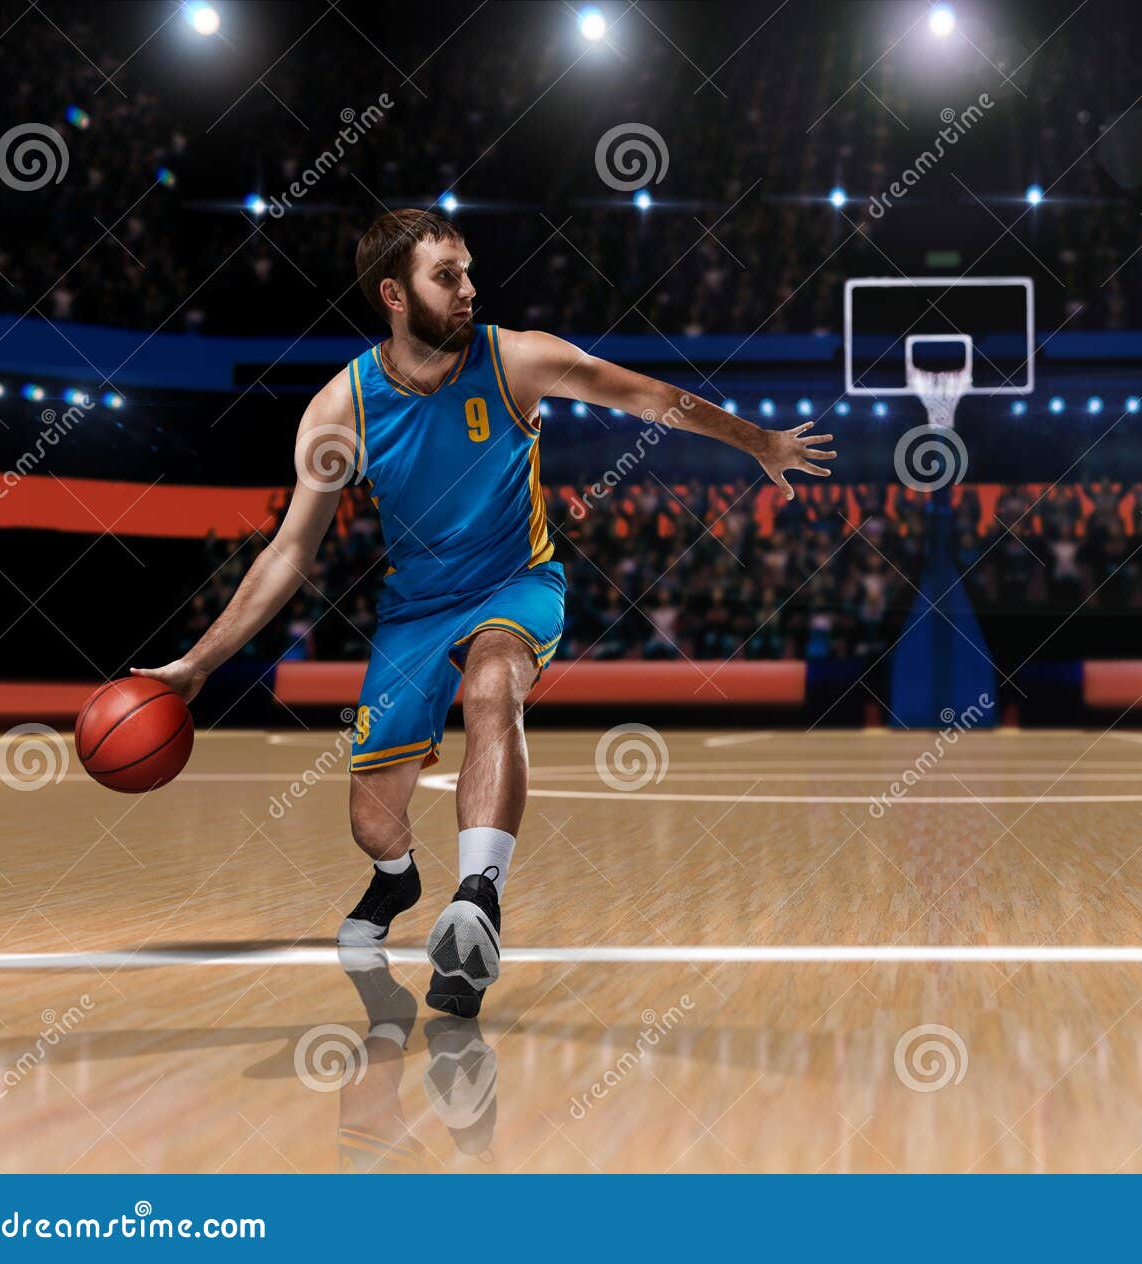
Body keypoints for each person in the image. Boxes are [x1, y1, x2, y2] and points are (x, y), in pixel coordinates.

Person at [134, 208, 835, 1016]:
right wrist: (197, 665)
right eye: (447, 275)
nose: (470, 288)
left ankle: (478, 902)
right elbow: (291, 552)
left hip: (517, 583)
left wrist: (757, 442)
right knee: (373, 821)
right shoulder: (340, 412)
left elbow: (653, 398)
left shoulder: (517, 359)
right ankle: (397, 882)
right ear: (393, 294)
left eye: (468, 270)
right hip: (415, 612)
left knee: (495, 681)